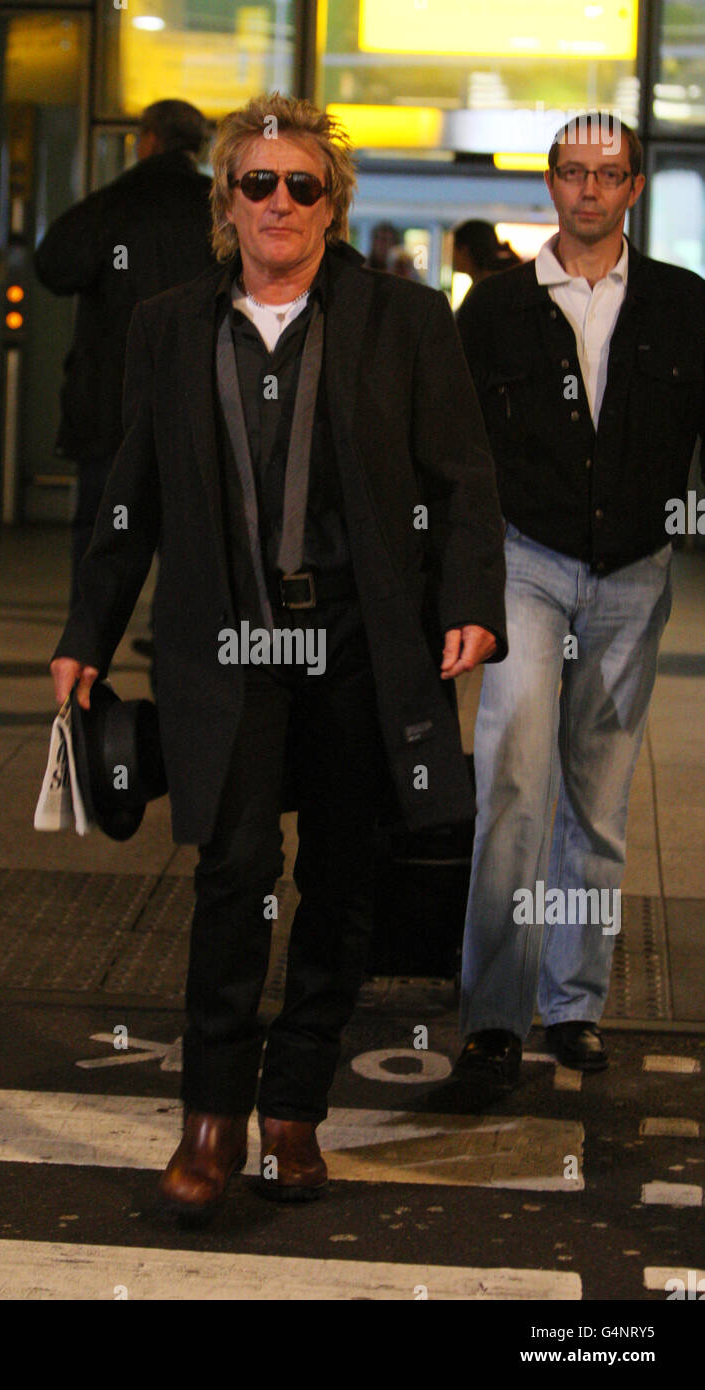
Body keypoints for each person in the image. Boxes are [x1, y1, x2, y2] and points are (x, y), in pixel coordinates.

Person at [50, 92, 507, 1219]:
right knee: (233, 875)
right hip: (229, 646)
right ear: (228, 199)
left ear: (332, 205)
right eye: (259, 182)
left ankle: (294, 1108)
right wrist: (84, 636)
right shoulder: (169, 326)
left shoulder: (403, 322)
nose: (280, 203)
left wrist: (471, 602)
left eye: (304, 185)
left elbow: (464, 479)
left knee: (345, 878)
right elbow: (128, 499)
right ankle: (211, 1117)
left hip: (360, 642)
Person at [452, 113, 705, 1094]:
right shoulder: (496, 309)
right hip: (525, 560)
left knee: (598, 796)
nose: (588, 189)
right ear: (550, 184)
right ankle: (492, 1017)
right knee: (514, 777)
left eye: (609, 174)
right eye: (571, 172)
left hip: (635, 571)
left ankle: (574, 1005)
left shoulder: (684, 306)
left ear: (635, 188)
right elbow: (461, 453)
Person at [34, 99, 215, 606]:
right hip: (195, 405)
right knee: (190, 543)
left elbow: (53, 265)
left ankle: (89, 655)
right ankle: (177, 647)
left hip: (112, 404)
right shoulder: (216, 208)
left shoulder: (116, 202)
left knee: (101, 535)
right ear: (196, 146)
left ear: (148, 139)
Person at [452, 220, 521, 307]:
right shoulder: (491, 286)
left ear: (465, 250)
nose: (453, 256)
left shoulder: (485, 291)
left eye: (455, 249)